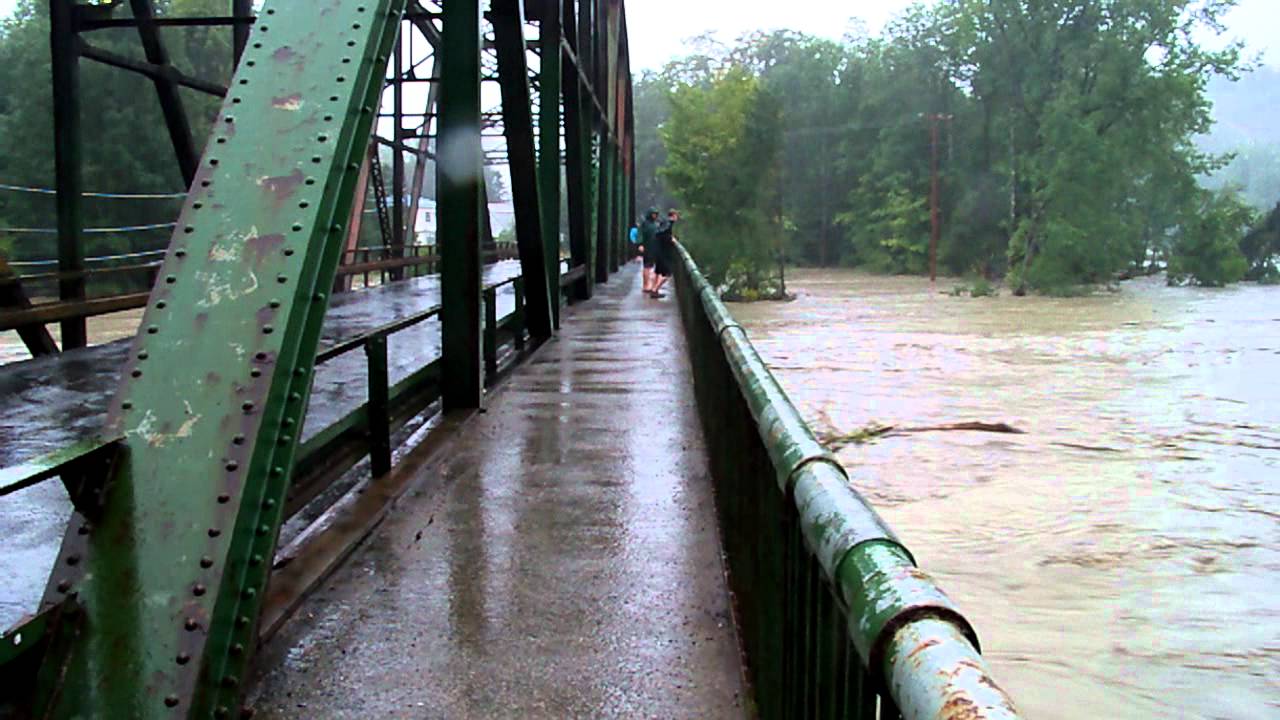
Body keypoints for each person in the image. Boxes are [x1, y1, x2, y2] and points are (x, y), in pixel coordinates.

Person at [648, 208, 679, 298]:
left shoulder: (664, 222)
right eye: (676, 216)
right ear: (673, 216)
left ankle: (654, 290)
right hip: (663, 253)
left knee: (657, 271)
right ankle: (655, 289)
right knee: (668, 273)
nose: (677, 218)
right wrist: (671, 239)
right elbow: (663, 234)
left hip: (658, 251)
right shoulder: (668, 224)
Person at [639, 207, 661, 293]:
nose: (654, 216)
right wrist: (640, 244)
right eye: (653, 214)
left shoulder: (656, 224)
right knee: (647, 266)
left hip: (655, 248)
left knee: (654, 267)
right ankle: (645, 285)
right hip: (648, 247)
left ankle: (651, 285)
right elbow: (640, 234)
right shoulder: (645, 224)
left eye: (656, 214)